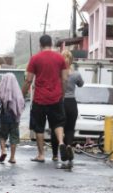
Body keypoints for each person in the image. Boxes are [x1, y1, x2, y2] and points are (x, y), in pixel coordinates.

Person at [22, 34, 68, 164]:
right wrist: (62, 94)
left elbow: (28, 80)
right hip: (56, 97)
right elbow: (65, 79)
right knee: (58, 123)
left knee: (39, 127)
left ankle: (41, 155)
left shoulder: (35, 58)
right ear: (51, 44)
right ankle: (60, 142)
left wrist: (22, 95)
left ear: (40, 44)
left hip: (40, 99)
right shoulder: (60, 58)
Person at [58, 49, 83, 169]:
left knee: (60, 126)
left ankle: (61, 144)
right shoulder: (76, 74)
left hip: (61, 102)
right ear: (71, 60)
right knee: (70, 128)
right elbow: (81, 84)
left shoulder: (58, 73)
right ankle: (68, 145)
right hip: (72, 103)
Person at [0, 73, 24, 164]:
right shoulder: (18, 92)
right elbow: (22, 105)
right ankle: (12, 157)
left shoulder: (2, 91)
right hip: (14, 118)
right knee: (14, 137)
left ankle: (3, 150)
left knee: (2, 135)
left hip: (4, 116)